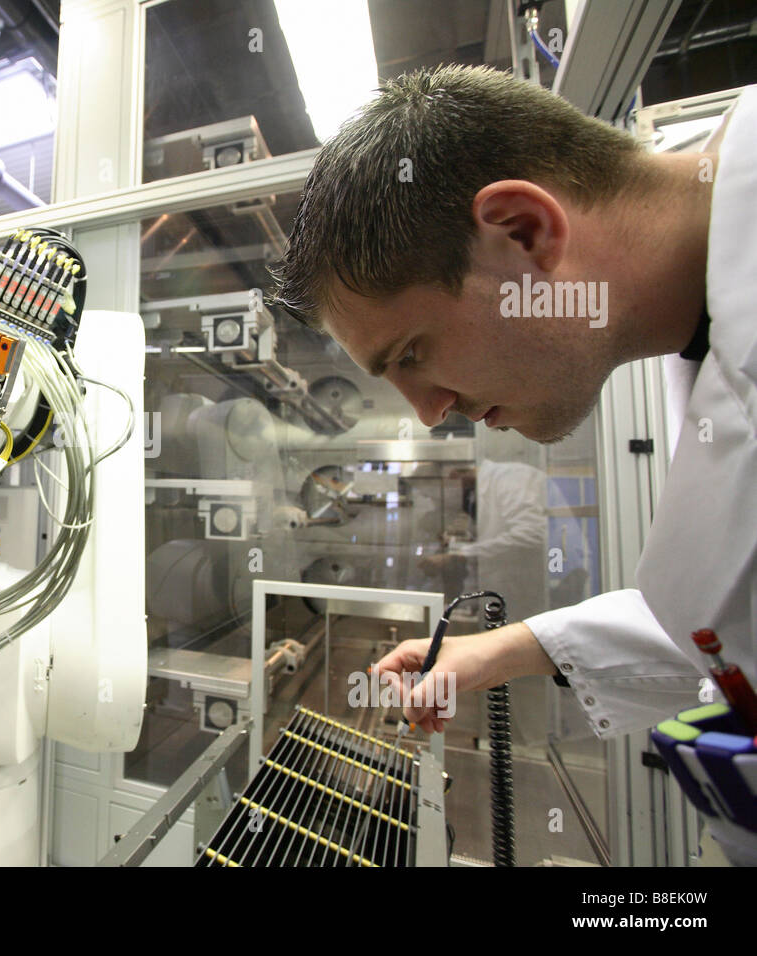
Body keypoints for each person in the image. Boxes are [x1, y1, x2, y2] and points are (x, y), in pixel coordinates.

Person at [272, 65, 756, 863]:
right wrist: (494, 652)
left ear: (524, 234)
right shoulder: (708, 331)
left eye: (412, 354)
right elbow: (730, 628)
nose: (428, 411)